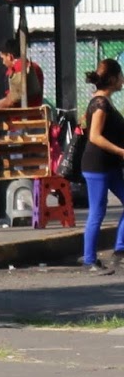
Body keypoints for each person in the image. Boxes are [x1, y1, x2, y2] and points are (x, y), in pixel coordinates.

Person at [79, 59, 124, 274]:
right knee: (97, 212)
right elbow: (94, 136)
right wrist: (120, 151)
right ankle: (89, 260)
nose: (123, 80)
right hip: (97, 166)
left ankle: (120, 251)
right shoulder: (100, 103)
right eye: (121, 76)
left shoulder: (102, 101)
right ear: (113, 79)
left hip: (111, 166)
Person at [0, 37, 45, 110]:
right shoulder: (36, 67)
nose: (3, 62)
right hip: (37, 115)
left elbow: (11, 101)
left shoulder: (13, 71)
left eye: (3, 58)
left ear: (10, 57)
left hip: (18, 118)